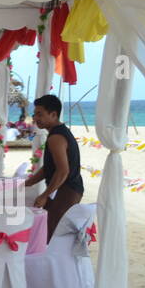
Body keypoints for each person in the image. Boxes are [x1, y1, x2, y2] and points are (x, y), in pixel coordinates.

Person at [24, 93, 84, 237]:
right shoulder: (56, 133)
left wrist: (45, 195)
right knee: (46, 229)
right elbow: (49, 168)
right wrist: (29, 182)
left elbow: (63, 171)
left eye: (40, 114)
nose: (36, 118)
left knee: (49, 232)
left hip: (67, 190)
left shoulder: (56, 137)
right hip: (63, 189)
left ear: (53, 114)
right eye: (35, 114)